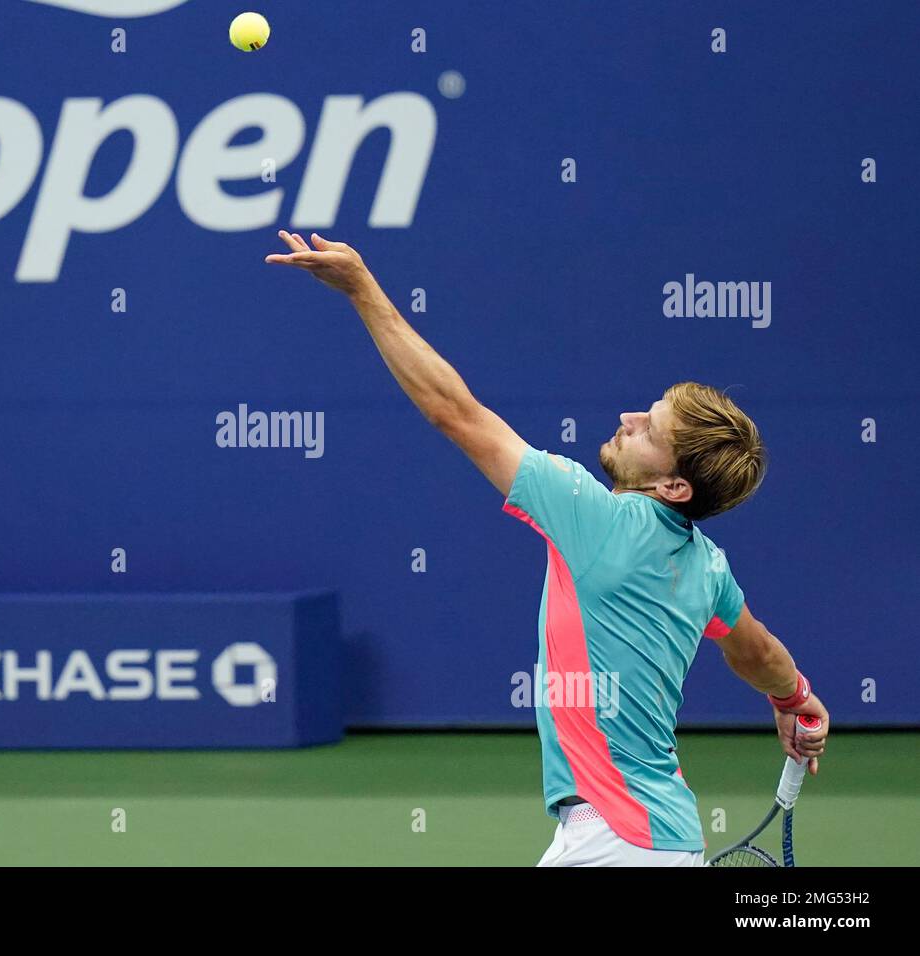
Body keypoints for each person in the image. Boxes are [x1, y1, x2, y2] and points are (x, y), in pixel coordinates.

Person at [266, 231, 830, 866]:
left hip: (615, 841)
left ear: (674, 485)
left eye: (650, 429)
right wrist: (793, 698)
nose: (628, 418)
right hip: (658, 836)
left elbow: (454, 412)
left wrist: (363, 290)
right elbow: (756, 652)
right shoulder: (710, 569)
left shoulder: (592, 516)